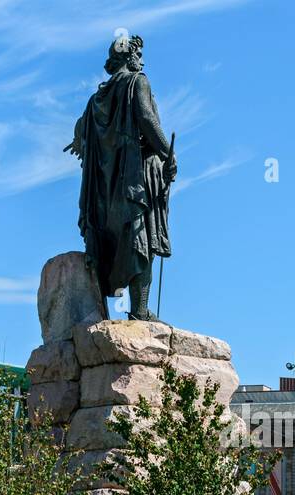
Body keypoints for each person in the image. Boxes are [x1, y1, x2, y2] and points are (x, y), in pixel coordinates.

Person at [66, 34, 177, 322]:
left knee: (112, 247)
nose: (142, 61)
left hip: (103, 195)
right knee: (143, 241)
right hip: (133, 183)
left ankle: (100, 311)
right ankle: (139, 310)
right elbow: (146, 119)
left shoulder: (94, 103)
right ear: (129, 58)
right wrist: (168, 153)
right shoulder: (137, 82)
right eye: (138, 55)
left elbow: (81, 136)